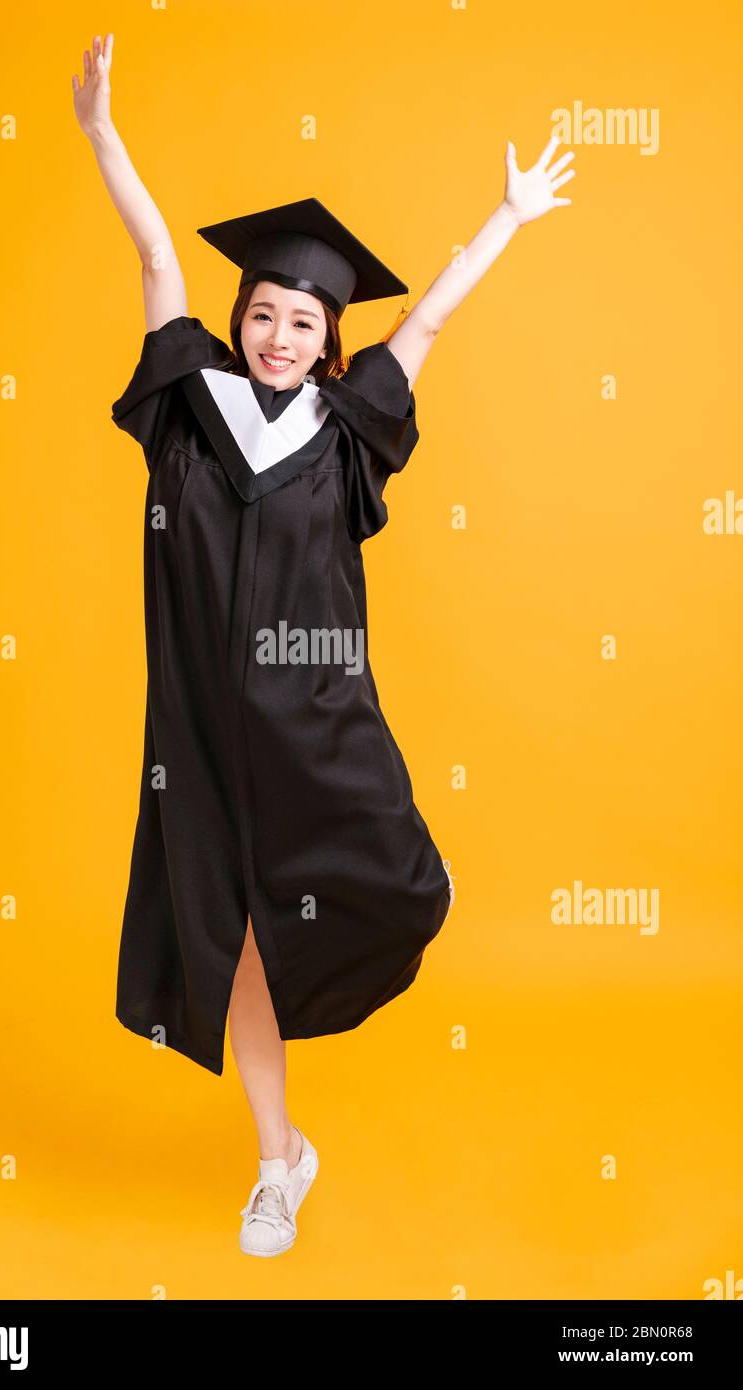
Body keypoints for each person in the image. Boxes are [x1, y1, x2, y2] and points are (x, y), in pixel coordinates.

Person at [73, 33, 575, 1258]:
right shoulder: (185, 409)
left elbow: (433, 328)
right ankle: (276, 1159)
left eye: (303, 320)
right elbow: (150, 251)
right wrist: (98, 129)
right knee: (231, 932)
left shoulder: (349, 431)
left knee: (388, 876)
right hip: (196, 731)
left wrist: (506, 217)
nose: (278, 335)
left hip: (314, 719)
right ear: (237, 317)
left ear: (329, 335)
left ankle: (392, 903)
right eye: (262, 312)